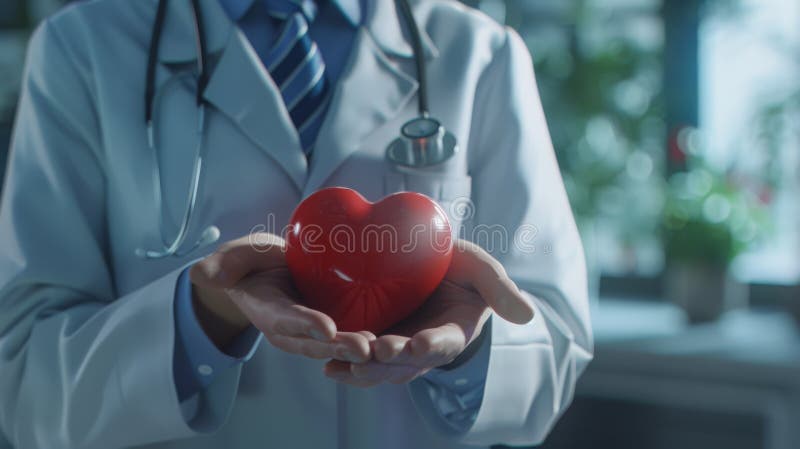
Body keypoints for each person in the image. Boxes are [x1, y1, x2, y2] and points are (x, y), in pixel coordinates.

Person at [0, 0, 593, 448]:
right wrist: (203, 320)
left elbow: (556, 335)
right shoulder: (83, 48)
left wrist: (472, 349)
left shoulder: (479, 53)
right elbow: (23, 380)